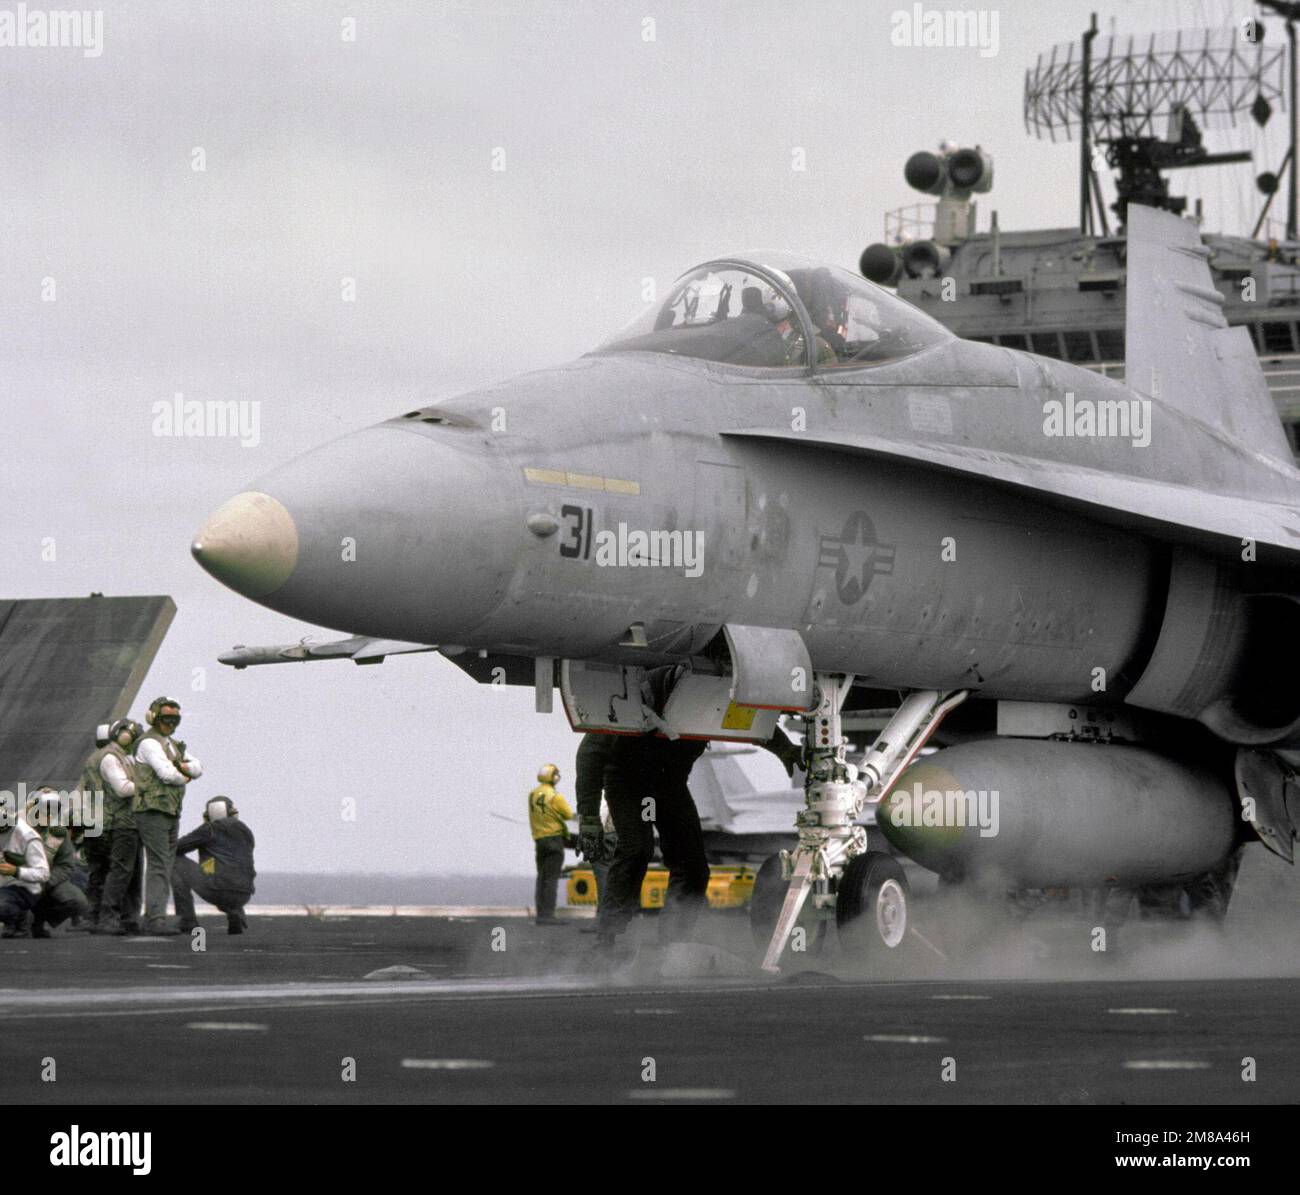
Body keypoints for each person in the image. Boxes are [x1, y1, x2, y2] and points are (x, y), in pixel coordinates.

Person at [596, 666, 710, 951]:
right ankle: (610, 938)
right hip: (628, 782)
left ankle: (675, 943)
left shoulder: (713, 694)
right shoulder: (637, 698)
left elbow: (753, 722)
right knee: (637, 849)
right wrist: (587, 816)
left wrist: (786, 751)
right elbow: (591, 751)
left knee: (694, 865)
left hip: (669, 784)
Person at [131, 697, 202, 935]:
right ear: (153, 718)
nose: (170, 723)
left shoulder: (171, 744)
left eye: (174, 719)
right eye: (165, 719)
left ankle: (154, 916)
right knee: (159, 865)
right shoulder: (149, 744)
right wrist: (185, 773)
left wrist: (184, 770)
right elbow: (166, 774)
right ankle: (155, 920)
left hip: (170, 811)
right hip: (153, 811)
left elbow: (198, 767)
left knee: (164, 864)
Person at [82, 717, 145, 933]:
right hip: (120, 820)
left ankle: (93, 918)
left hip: (96, 820)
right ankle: (113, 919)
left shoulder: (95, 758)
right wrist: (148, 785)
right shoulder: (112, 758)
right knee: (122, 872)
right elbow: (123, 789)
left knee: (98, 872)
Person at [173, 797, 255, 935]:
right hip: (245, 893)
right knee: (227, 874)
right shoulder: (246, 831)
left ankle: (187, 920)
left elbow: (176, 848)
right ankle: (235, 910)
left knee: (174, 862)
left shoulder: (209, 829)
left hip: (217, 889)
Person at [574, 733, 620, 930]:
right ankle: (607, 919)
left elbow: (598, 818)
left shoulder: (601, 794)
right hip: (613, 835)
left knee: (603, 878)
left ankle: (604, 920)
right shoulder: (613, 789)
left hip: (607, 837)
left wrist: (588, 834)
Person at [31, 790, 88, 938]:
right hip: (20, 880)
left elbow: (66, 865)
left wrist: (48, 882)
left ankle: (39, 920)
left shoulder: (59, 832)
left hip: (47, 881)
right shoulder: (19, 828)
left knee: (78, 901)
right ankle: (16, 921)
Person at [528, 763, 573, 926]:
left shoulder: (532, 795)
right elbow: (568, 815)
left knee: (541, 877)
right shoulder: (555, 796)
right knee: (551, 879)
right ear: (553, 777)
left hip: (539, 840)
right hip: (554, 840)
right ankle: (548, 915)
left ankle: (541, 913)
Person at [0, 791, 50, 937]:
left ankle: (21, 916)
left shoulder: (28, 836)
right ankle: (11, 920)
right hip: (3, 886)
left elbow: (44, 873)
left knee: (3, 904)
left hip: (24, 888)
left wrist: (16, 871)